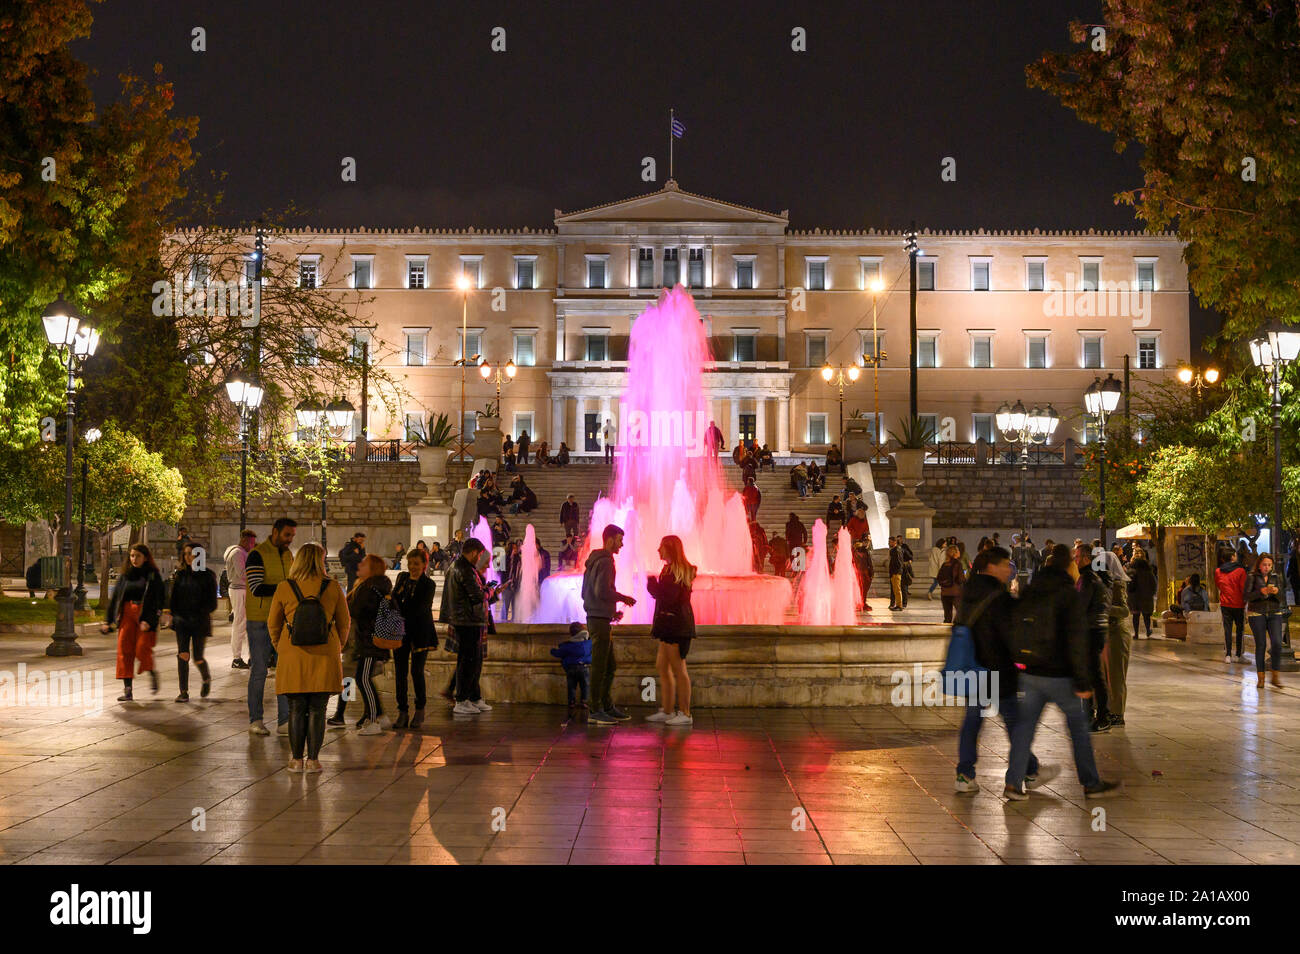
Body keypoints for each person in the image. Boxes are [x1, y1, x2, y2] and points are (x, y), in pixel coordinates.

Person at [1004, 545, 1122, 800]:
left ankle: (1013, 783)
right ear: (1067, 564)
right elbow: (1077, 640)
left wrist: (1018, 662)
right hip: (1061, 676)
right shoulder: (1069, 594)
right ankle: (1091, 782)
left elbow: (1014, 625)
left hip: (1032, 673)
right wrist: (1083, 679)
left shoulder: (1032, 590)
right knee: (1078, 730)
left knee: (1025, 729)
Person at [954, 546, 1039, 794]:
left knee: (972, 721)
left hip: (973, 668)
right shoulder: (998, 597)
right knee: (1015, 722)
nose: (1009, 569)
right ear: (992, 566)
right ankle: (1030, 769)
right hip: (997, 671)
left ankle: (964, 774)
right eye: (1006, 564)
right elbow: (1009, 635)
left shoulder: (969, 592)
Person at [268, 542, 350, 773]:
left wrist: (281, 646)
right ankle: (313, 760)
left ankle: (295, 760)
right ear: (320, 561)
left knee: (295, 707)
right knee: (318, 708)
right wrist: (337, 645)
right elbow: (344, 623)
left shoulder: (285, 587)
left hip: (293, 654)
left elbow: (273, 623)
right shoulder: (333, 587)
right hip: (324, 654)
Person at [582, 524, 637, 726]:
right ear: (610, 539)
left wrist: (610, 611)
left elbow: (586, 593)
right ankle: (595, 709)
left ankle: (605, 705)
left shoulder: (594, 561)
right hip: (599, 620)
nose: (622, 544)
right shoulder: (606, 561)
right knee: (600, 665)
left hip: (598, 617)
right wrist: (624, 597)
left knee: (609, 664)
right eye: (620, 540)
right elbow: (601, 591)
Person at [245, 518, 296, 735]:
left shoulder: (288, 555)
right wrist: (286, 588)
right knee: (259, 670)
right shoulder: (257, 554)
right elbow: (257, 587)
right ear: (275, 532)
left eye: (292, 536)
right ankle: (255, 720)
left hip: (283, 620)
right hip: (259, 619)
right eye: (287, 535)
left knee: (284, 670)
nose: (290, 540)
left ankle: (284, 721)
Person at [644, 535, 697, 727]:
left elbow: (670, 597)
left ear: (670, 549)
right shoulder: (668, 569)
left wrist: (652, 586)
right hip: (667, 624)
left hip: (677, 625)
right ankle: (667, 710)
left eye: (661, 547)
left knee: (678, 668)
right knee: (662, 666)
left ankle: (685, 713)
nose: (658, 550)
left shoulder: (679, 571)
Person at [101, 544, 165, 702]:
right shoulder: (125, 576)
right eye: (132, 556)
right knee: (124, 650)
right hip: (127, 615)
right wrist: (108, 621)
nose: (134, 559)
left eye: (137, 556)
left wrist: (150, 621)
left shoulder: (152, 575)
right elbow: (115, 598)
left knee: (142, 648)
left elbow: (159, 600)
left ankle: (151, 671)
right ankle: (128, 689)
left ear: (145, 557)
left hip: (144, 615)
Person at [443, 538, 496, 715]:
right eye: (479, 554)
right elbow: (476, 595)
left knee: (471, 660)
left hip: (465, 619)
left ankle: (470, 697)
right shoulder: (464, 568)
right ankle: (462, 699)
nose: (480, 558)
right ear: (474, 552)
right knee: (468, 661)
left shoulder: (459, 566)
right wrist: (490, 591)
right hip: (467, 620)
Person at [344, 553, 393, 734]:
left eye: (364, 563)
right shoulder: (375, 586)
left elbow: (357, 611)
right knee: (360, 678)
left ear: (371, 569)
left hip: (369, 641)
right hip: (370, 641)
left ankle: (373, 720)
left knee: (361, 678)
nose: (359, 565)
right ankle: (379, 715)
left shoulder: (369, 588)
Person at [165, 542, 217, 703]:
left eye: (192, 553)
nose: (188, 557)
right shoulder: (180, 575)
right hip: (182, 621)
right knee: (183, 655)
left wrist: (199, 610)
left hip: (199, 621)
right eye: (186, 553)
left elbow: (212, 603)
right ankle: (183, 691)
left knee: (198, 657)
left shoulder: (208, 575)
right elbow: (173, 598)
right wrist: (170, 614)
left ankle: (206, 678)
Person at [391, 548, 437, 729]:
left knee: (416, 672)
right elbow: (394, 599)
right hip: (401, 632)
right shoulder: (402, 578)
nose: (412, 567)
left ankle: (420, 709)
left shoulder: (429, 584)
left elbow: (421, 607)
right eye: (410, 563)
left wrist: (400, 608)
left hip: (420, 632)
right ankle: (402, 711)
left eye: (416, 564)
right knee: (400, 673)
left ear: (424, 565)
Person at [1073, 543, 1112, 734]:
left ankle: (1102, 716)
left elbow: (1080, 607)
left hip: (1091, 631)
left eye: (1078, 556)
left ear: (1087, 558)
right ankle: (1090, 714)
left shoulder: (1088, 579)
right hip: (1094, 630)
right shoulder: (1090, 578)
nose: (1076, 559)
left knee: (1094, 676)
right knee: (1091, 675)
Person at [1247, 554, 1289, 689]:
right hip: (1256, 612)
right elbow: (1246, 596)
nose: (1267, 567)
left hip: (1274, 612)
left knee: (1277, 643)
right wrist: (1261, 591)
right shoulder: (1252, 577)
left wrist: (1276, 592)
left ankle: (1275, 676)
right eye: (1264, 564)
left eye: (1269, 565)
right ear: (1259, 565)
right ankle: (1261, 678)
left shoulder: (1276, 577)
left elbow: (1282, 597)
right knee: (1261, 644)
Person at [224, 529, 256, 669]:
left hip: (241, 589)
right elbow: (242, 573)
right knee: (240, 623)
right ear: (245, 540)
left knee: (245, 623)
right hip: (239, 589)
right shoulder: (238, 553)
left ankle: (248, 656)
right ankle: (236, 658)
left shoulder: (240, 552)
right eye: (251, 543)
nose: (252, 546)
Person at [551, 622, 592, 721]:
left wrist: (552, 651)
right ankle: (584, 701)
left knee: (572, 686)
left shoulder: (568, 645)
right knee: (585, 685)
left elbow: (559, 653)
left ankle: (572, 702)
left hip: (571, 668)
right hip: (584, 667)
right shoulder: (587, 643)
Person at [1216, 548, 1248, 662]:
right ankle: (1239, 655)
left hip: (1225, 604)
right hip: (1239, 604)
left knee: (1227, 629)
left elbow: (1219, 585)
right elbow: (1243, 588)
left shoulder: (1218, 571)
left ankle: (1228, 655)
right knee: (1240, 630)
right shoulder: (1241, 571)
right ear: (1233, 557)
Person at [1127, 553, 1158, 639]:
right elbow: (1154, 584)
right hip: (1146, 597)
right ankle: (1148, 630)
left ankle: (1136, 633)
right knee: (1146, 615)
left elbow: (1128, 585)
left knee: (1135, 616)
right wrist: (1151, 593)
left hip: (1134, 598)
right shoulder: (1148, 573)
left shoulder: (1131, 572)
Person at [936, 545, 965, 623]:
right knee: (960, 613)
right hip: (955, 592)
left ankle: (944, 632)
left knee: (947, 616)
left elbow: (938, 577)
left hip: (945, 593)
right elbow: (961, 579)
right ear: (954, 553)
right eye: (958, 550)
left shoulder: (945, 564)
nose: (959, 552)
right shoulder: (958, 564)